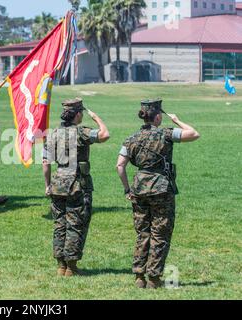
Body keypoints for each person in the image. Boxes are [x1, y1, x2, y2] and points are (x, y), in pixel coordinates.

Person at [116, 99, 200, 289]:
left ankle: (139, 276)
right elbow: (194, 133)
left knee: (142, 232)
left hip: (138, 190)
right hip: (161, 189)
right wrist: (178, 120)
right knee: (160, 233)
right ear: (158, 117)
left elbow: (120, 166)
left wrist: (127, 189)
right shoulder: (166, 133)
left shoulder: (131, 138)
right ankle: (154, 278)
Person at [43, 98, 110, 276]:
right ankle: (71, 267)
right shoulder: (81, 133)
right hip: (77, 184)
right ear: (78, 114)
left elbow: (45, 162)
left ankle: (60, 266)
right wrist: (97, 118)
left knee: (59, 224)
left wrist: (47, 184)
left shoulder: (52, 134)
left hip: (57, 183)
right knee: (76, 224)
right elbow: (104, 135)